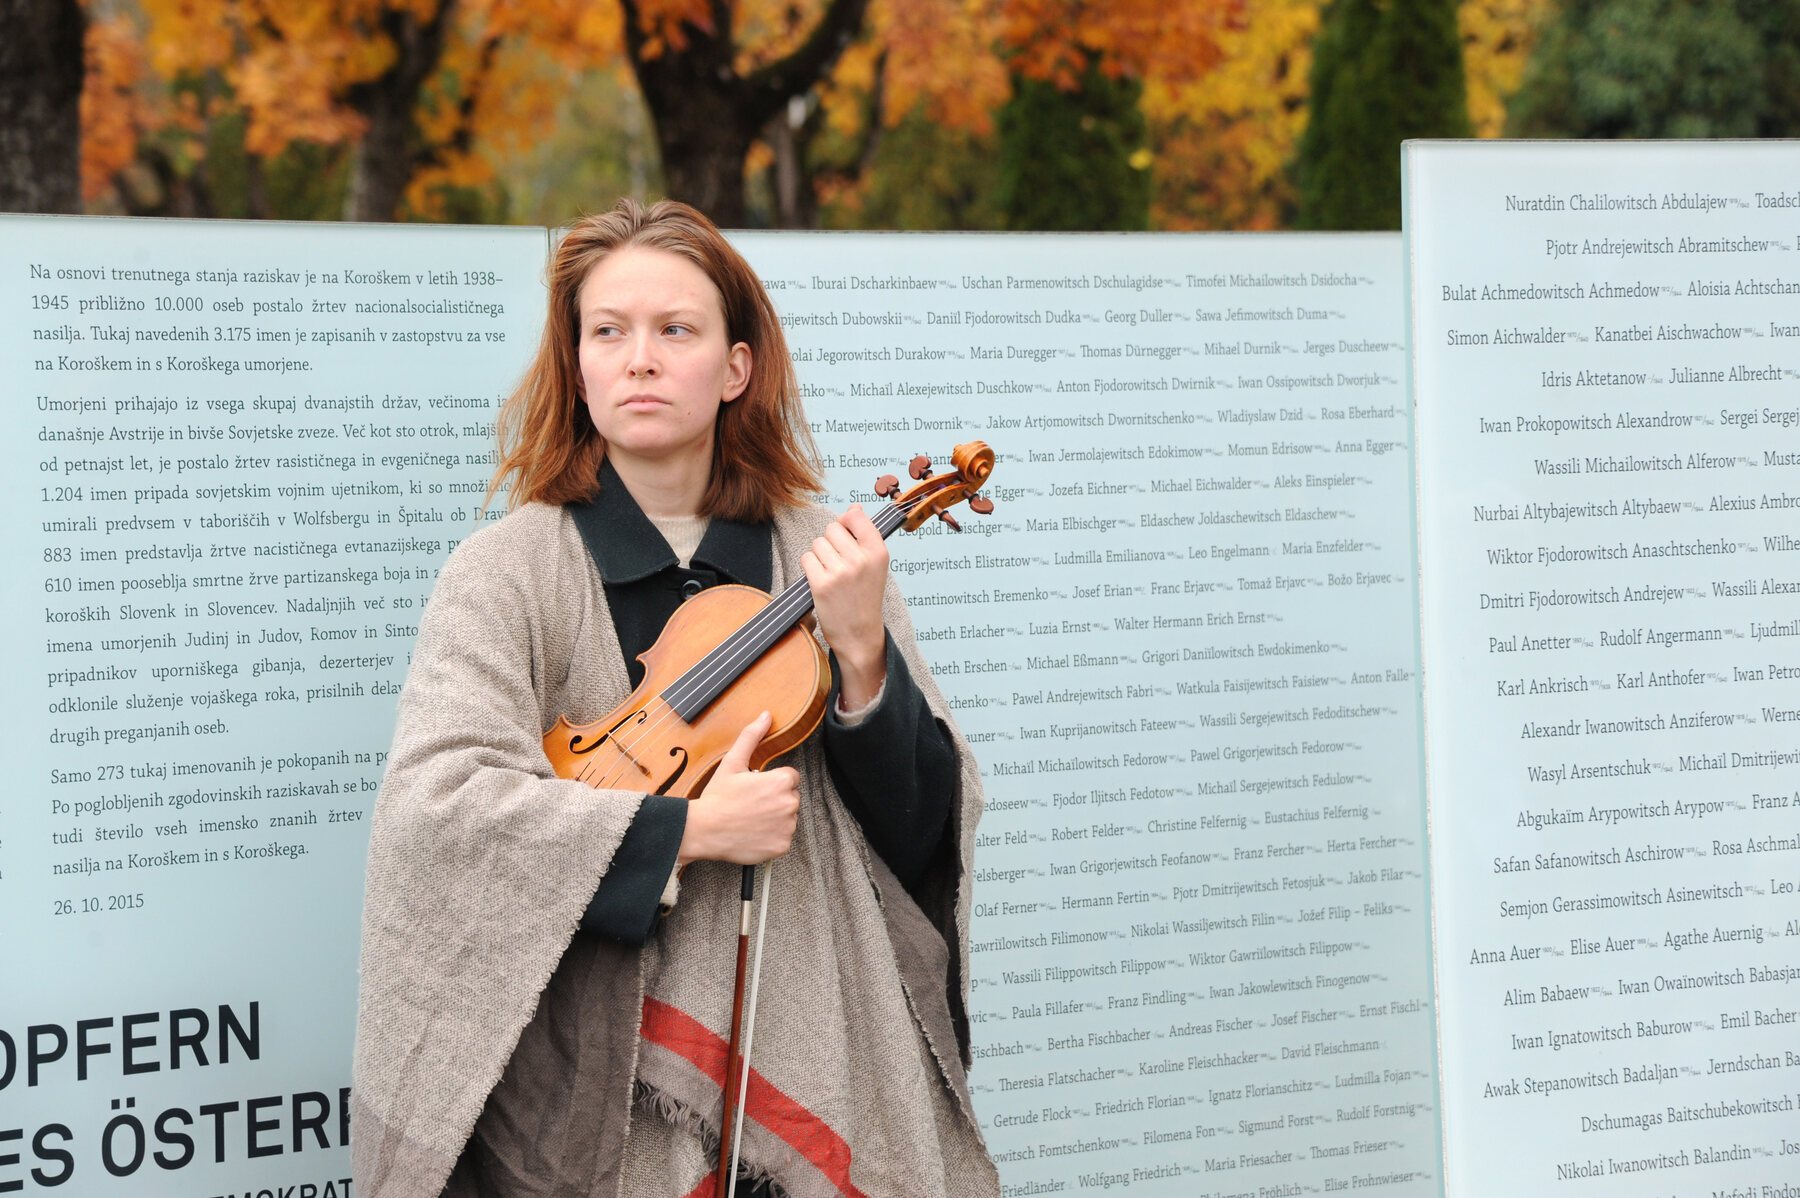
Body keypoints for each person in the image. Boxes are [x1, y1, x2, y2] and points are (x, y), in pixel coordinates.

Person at [351, 198, 999, 1198]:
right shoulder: (507, 572)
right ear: (577, 363)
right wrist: (681, 829)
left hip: (816, 1021)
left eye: (675, 330)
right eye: (607, 331)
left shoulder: (824, 557)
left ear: (736, 367)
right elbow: (435, 814)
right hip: (597, 1078)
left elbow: (923, 832)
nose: (638, 358)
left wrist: (862, 646)